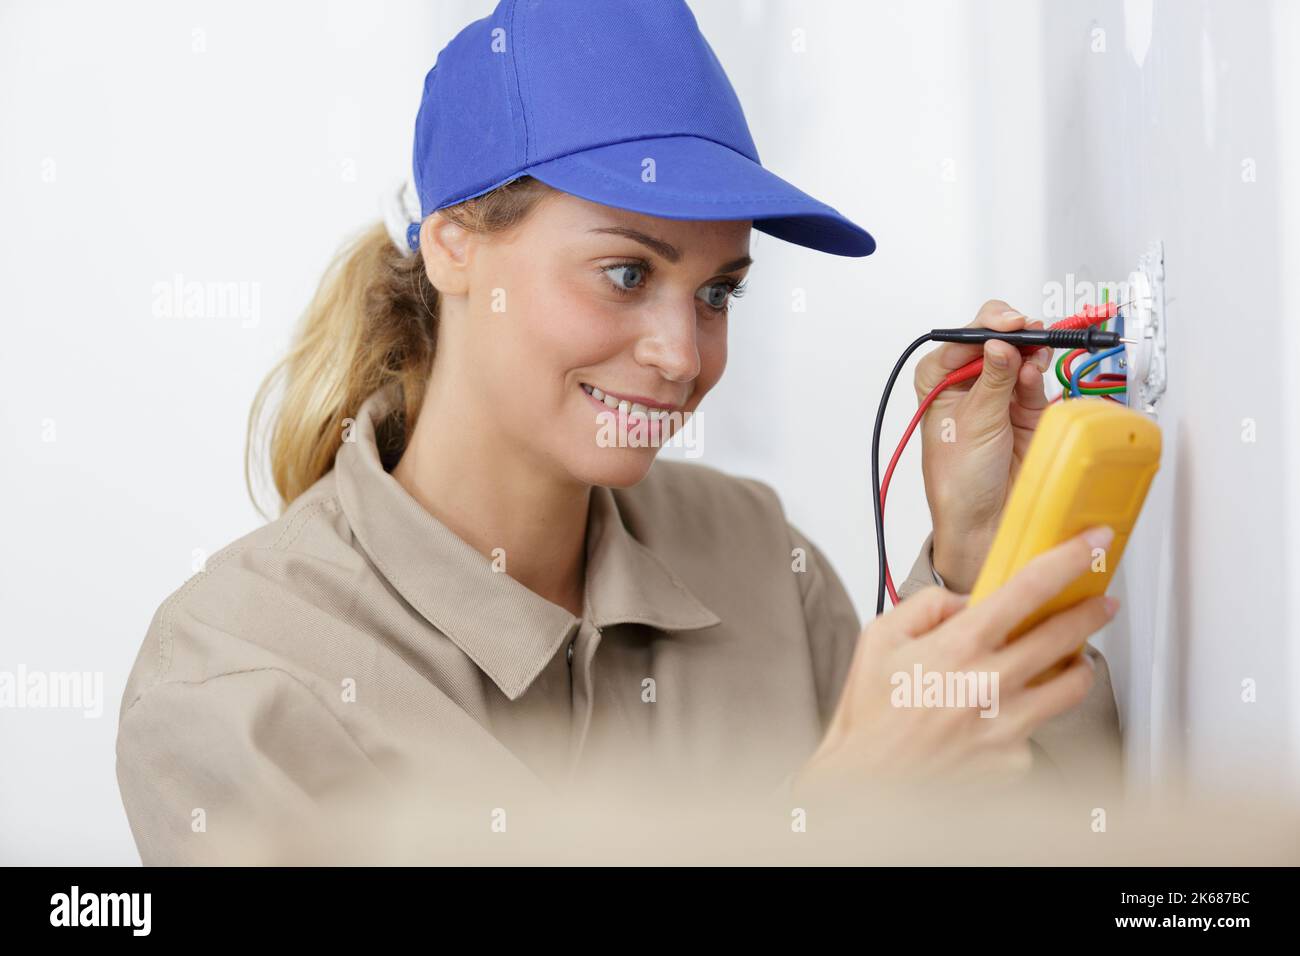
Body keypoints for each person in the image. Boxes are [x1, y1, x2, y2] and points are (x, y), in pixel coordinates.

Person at [115, 0, 1120, 865]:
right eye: (628, 273)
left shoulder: (758, 560)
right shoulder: (237, 677)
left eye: (718, 291)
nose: (683, 354)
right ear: (454, 245)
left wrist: (989, 562)